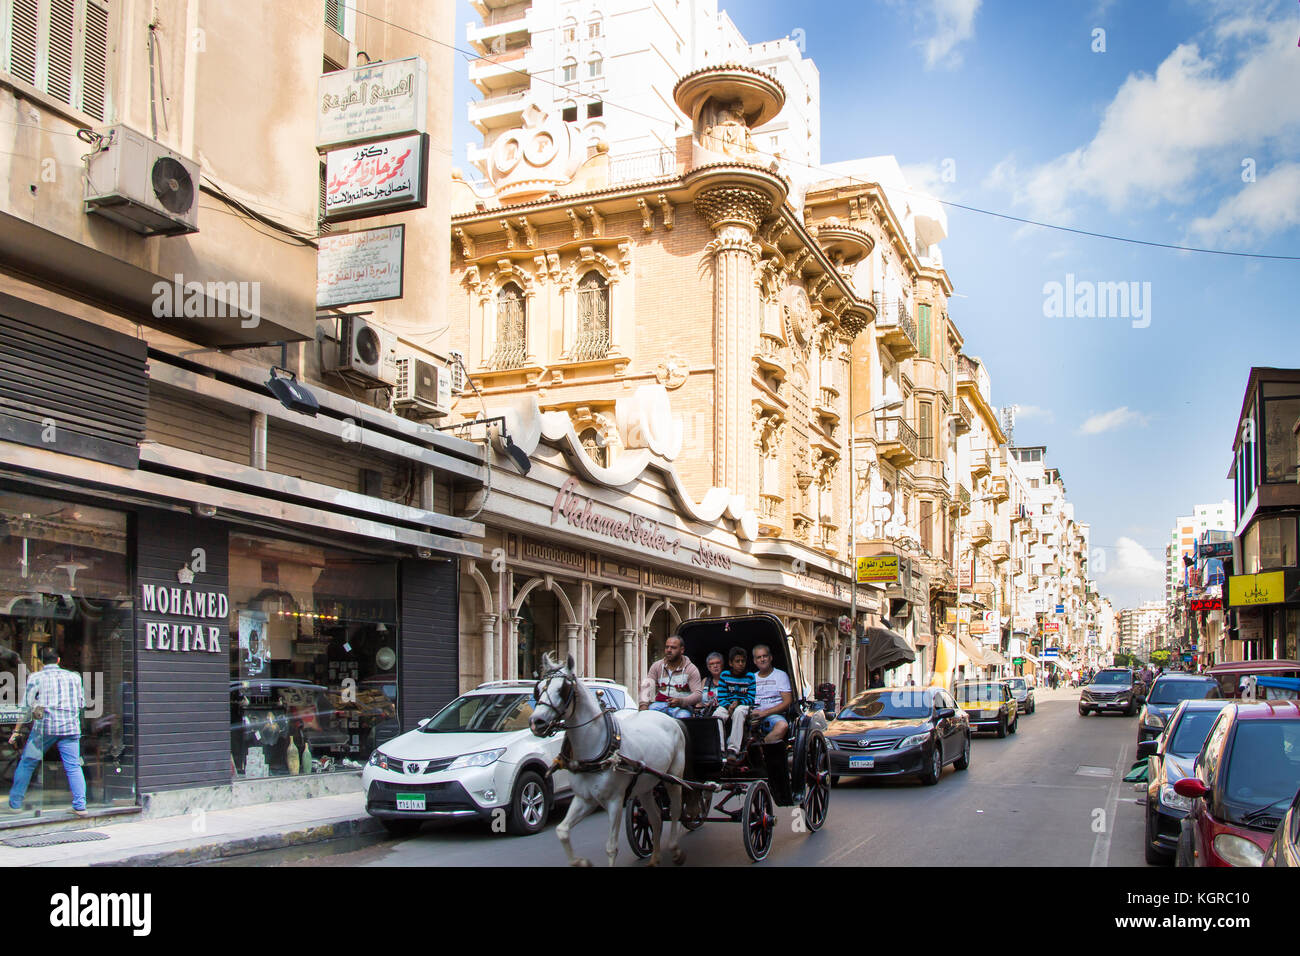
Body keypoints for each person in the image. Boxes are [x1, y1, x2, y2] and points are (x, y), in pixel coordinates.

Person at [5, 647, 87, 817]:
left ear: (41, 661)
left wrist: (16, 731)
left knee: (27, 762)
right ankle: (80, 806)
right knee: (73, 766)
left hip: (45, 729)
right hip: (70, 728)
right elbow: (81, 704)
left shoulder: (36, 677)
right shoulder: (74, 677)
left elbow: (26, 706)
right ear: (58, 660)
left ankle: (15, 804)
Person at [640, 635, 701, 718]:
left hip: (683, 708)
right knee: (650, 716)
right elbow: (646, 686)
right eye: (667, 647)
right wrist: (643, 705)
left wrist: (681, 701)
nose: (669, 650)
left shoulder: (691, 669)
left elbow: (698, 695)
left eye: (673, 647)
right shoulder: (657, 666)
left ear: (682, 650)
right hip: (659, 705)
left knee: (684, 717)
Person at [715, 647, 756, 759]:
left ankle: (733, 749)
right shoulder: (724, 675)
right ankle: (720, 749)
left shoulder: (750, 677)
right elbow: (721, 697)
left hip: (743, 705)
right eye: (737, 661)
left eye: (743, 661)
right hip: (727, 705)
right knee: (717, 715)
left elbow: (751, 698)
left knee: (739, 712)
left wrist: (737, 703)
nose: (740, 664)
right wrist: (729, 706)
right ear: (731, 663)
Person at [750, 644, 793, 744]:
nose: (762, 659)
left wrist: (765, 713)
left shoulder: (781, 675)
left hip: (774, 716)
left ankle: (761, 749)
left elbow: (787, 702)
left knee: (782, 726)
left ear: (770, 658)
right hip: (753, 716)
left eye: (765, 656)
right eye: (759, 657)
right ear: (755, 661)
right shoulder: (752, 678)